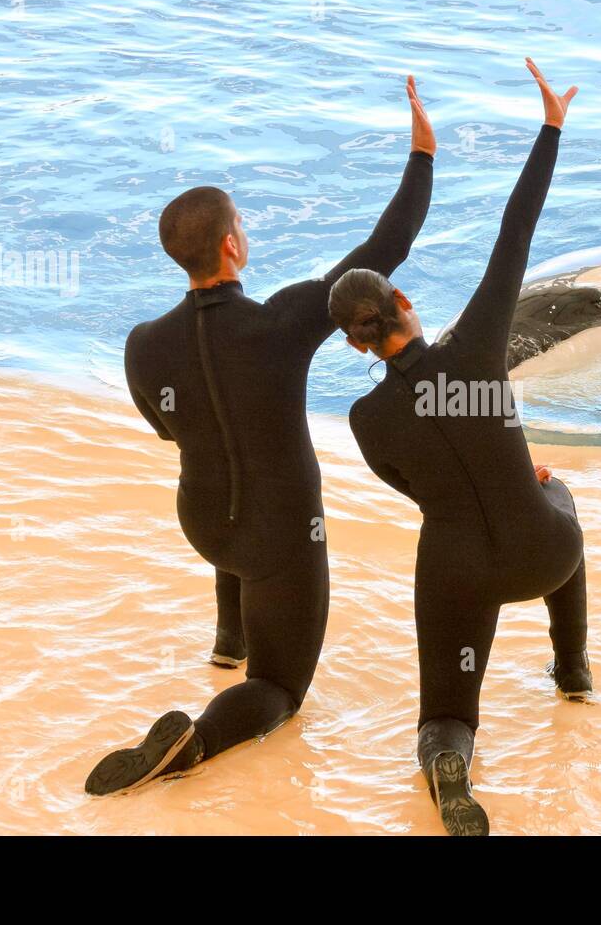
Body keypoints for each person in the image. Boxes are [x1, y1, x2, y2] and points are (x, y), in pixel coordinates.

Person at [84, 77, 436, 796]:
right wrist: (423, 152)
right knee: (280, 687)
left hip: (205, 524)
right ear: (233, 245)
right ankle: (194, 740)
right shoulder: (285, 321)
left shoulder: (142, 346)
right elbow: (385, 249)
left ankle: (227, 639)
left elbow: (167, 429)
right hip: (279, 535)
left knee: (219, 451)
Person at [328, 60, 589, 836]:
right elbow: (517, 229)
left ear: (354, 343)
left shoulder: (364, 421)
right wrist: (550, 126)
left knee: (446, 709)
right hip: (544, 551)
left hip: (457, 576)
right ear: (404, 302)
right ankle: (572, 672)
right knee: (559, 495)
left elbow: (415, 486)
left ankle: (449, 763)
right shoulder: (477, 345)